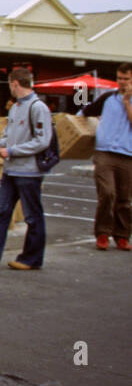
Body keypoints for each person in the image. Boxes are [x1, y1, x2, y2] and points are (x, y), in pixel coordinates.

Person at [0, 68, 54, 272]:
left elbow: (42, 141)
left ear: (15, 84)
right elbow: (8, 134)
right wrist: (0, 144)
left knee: (32, 215)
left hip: (29, 172)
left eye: (9, 85)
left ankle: (31, 258)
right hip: (11, 170)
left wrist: (12, 150)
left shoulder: (38, 107)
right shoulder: (15, 108)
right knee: (2, 212)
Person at [79, 62, 132, 251]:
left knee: (124, 198)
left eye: (126, 79)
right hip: (104, 153)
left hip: (128, 155)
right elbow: (85, 111)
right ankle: (102, 233)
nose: (122, 82)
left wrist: (127, 102)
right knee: (108, 193)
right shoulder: (108, 98)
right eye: (119, 79)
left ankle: (122, 235)